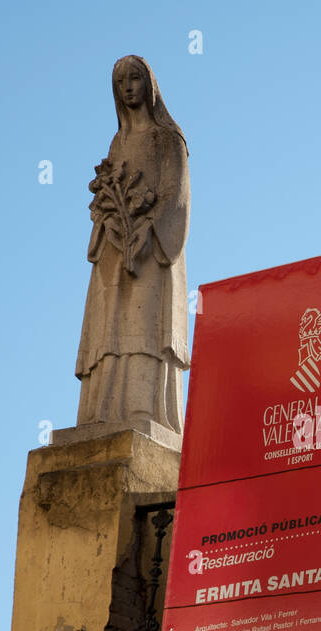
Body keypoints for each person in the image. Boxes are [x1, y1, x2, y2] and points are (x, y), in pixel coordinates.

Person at [75, 55, 190, 435]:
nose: (128, 87)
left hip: (152, 250)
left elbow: (177, 197)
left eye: (135, 78)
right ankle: (104, 410)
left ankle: (143, 408)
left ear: (149, 85)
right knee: (110, 325)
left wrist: (147, 231)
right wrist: (108, 220)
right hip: (114, 248)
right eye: (121, 81)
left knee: (143, 323)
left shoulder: (168, 139)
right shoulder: (117, 142)